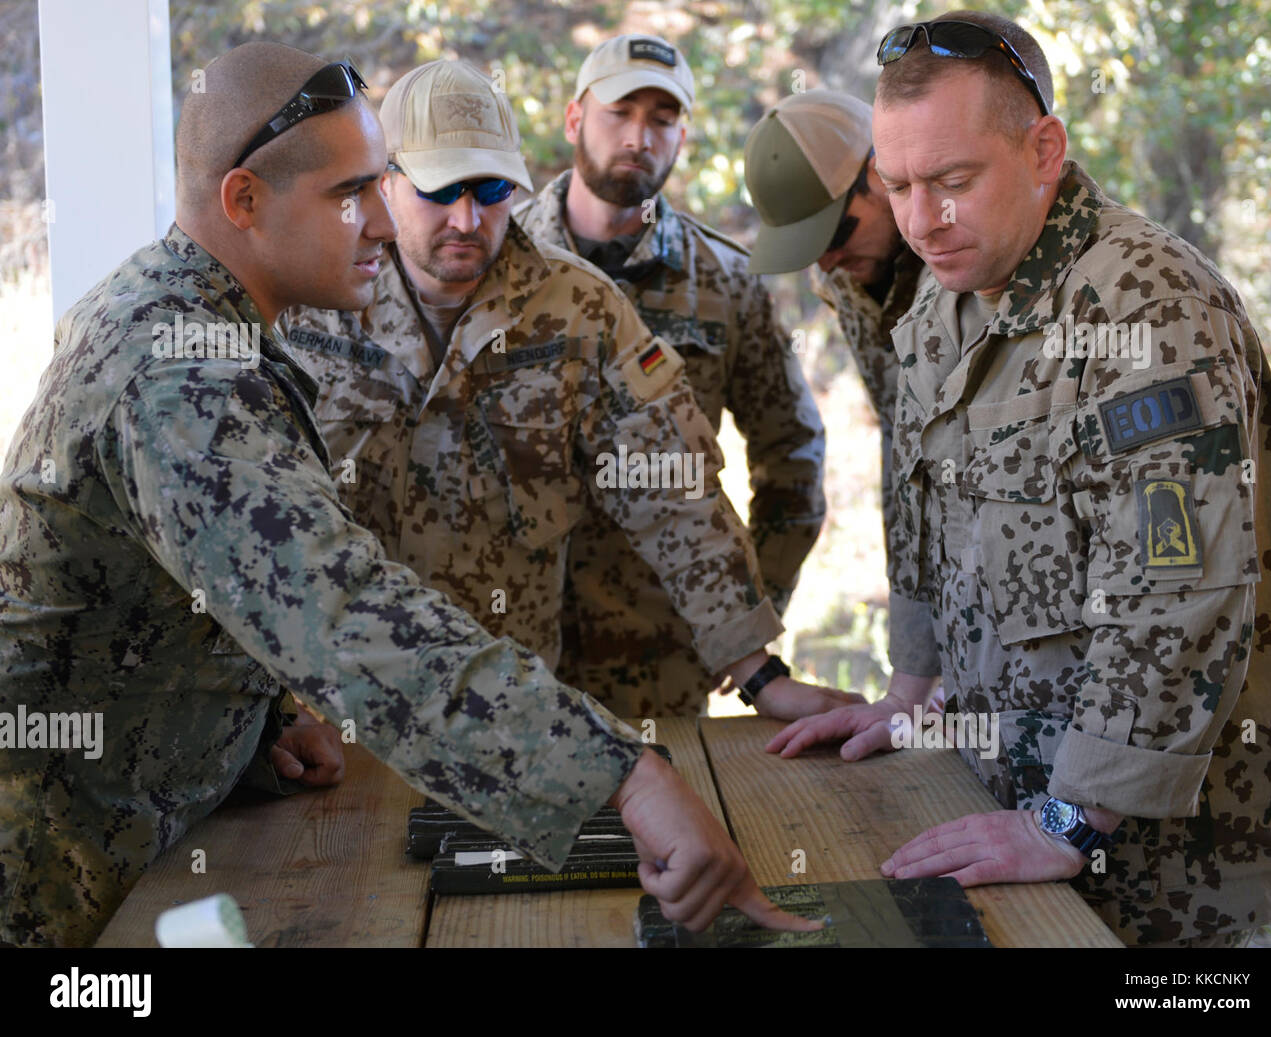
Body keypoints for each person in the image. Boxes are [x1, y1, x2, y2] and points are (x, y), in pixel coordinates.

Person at [0, 42, 816, 947]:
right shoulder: (179, 370)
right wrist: (620, 776)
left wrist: (260, 715)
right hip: (57, 876)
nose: (385, 224)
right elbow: (337, 609)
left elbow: (205, 583)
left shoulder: (206, 320)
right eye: (357, 194)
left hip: (164, 822)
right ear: (245, 201)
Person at [768, 10, 1271, 947]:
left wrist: (1072, 815)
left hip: (1175, 876)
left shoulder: (1146, 310)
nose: (920, 220)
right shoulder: (943, 299)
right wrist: (912, 683)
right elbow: (919, 499)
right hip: (1008, 820)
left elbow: (1179, 591)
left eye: (953, 181)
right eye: (895, 186)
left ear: (1044, 149)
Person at [283, 58, 855, 725]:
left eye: (491, 188)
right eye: (440, 190)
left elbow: (671, 492)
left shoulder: (581, 308)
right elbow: (247, 513)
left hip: (514, 715)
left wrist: (757, 672)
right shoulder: (308, 304)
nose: (468, 220)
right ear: (386, 183)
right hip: (343, 711)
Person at [515, 34, 827, 718]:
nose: (639, 135)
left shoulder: (725, 282)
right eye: (621, 110)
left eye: (662, 117)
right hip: (508, 650)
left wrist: (743, 620)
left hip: (658, 660)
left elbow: (792, 456)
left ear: (682, 134)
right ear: (574, 119)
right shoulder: (498, 266)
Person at [743, 88, 943, 709]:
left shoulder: (966, 263)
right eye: (810, 246)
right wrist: (913, 670)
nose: (827, 259)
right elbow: (907, 458)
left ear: (883, 173)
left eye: (835, 231)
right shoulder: (842, 275)